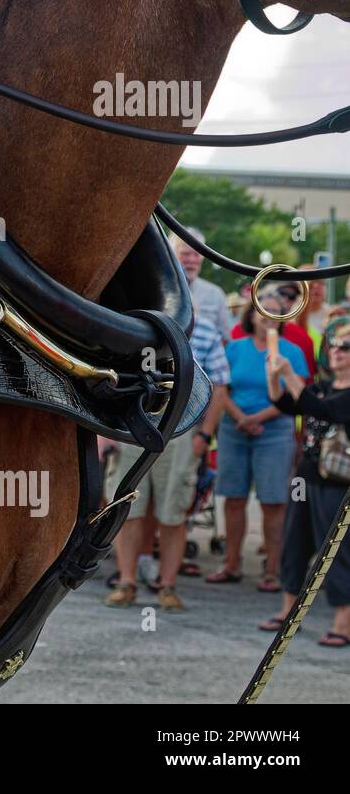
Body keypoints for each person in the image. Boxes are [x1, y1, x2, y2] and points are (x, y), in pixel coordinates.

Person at [105, 313, 230, 610]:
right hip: (133, 426)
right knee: (127, 508)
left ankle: (168, 586)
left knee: (173, 511)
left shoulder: (206, 329)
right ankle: (126, 582)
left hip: (181, 430)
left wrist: (205, 435)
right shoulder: (137, 322)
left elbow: (221, 385)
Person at [208, 292, 309, 590]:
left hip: (275, 432)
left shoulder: (292, 352)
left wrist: (258, 419)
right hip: (233, 428)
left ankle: (273, 570)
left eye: (276, 314)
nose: (268, 320)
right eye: (263, 313)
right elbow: (220, 388)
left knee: (273, 501)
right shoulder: (235, 349)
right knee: (234, 498)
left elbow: (296, 395)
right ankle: (231, 564)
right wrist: (240, 417)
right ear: (252, 316)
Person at [262, 316, 350, 647]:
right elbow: (287, 403)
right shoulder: (321, 386)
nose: (338, 351)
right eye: (335, 345)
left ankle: (344, 622)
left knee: (339, 552)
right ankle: (288, 612)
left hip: (338, 484)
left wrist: (287, 373)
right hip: (306, 478)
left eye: (346, 346)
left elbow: (323, 410)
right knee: (294, 544)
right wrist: (274, 377)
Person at [174, 232, 231, 344]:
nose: (191, 260)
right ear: (173, 254)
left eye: (197, 254)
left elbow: (225, 338)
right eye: (185, 254)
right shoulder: (161, 290)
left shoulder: (215, 294)